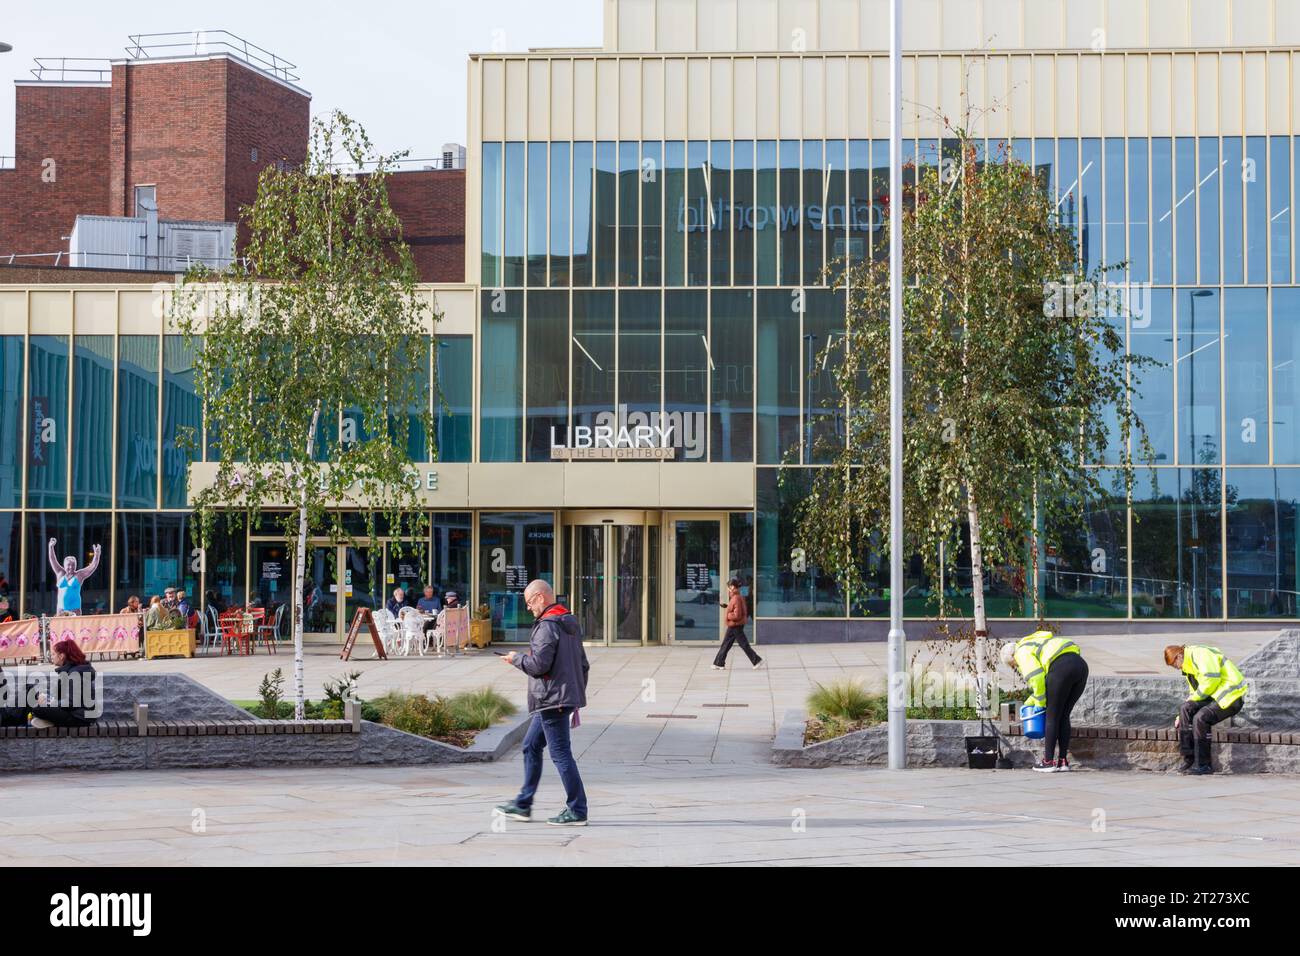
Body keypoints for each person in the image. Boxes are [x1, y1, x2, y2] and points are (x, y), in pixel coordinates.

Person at [495, 579, 590, 827]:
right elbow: (583, 665)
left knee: (560, 754)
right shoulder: (568, 623)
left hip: (551, 700)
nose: (528, 608)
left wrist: (516, 659)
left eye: (529, 602)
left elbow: (538, 666)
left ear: (539, 597)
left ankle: (577, 809)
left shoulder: (548, 626)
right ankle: (523, 804)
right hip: (556, 698)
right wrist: (574, 695)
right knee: (530, 745)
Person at [1001, 630, 1089, 773]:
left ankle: (1048, 762)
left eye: (1014, 665)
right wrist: (1031, 701)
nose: (1016, 667)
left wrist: (1040, 704)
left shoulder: (1021, 652)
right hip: (1080, 666)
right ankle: (1063, 762)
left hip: (1061, 668)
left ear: (1012, 656)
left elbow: (1036, 677)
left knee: (1051, 716)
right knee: (1063, 715)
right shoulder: (1036, 642)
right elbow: (1041, 687)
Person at [1165, 644, 1248, 775]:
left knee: (1200, 718)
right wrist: (1179, 717)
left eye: (1174, 664)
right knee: (1185, 709)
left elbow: (1211, 681)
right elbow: (1194, 693)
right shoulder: (1188, 667)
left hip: (1230, 696)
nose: (1176, 667)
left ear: (1179, 656)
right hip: (1215, 695)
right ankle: (1190, 757)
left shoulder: (1200, 654)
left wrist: (1193, 699)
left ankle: (1204, 765)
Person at [28, 639, 97, 729]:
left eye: (53, 654)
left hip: (80, 719)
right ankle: (49, 721)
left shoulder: (75, 674)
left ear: (61, 656)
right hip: (75, 713)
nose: (51, 657)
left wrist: (49, 704)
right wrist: (47, 698)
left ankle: (50, 721)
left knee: (37, 708)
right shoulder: (70, 671)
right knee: (33, 694)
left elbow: (72, 703)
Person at [712, 578, 762, 670]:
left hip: (735, 624)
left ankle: (756, 660)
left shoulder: (736, 598)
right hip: (735, 624)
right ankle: (719, 663)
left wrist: (728, 614)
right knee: (726, 644)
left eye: (728, 587)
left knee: (742, 644)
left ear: (732, 587)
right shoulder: (736, 597)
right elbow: (736, 609)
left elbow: (737, 615)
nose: (727, 589)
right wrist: (728, 607)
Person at [48, 538, 101, 616]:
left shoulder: (79, 575)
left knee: (74, 628)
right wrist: (51, 547)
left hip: (74, 610)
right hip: (61, 609)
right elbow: (53, 559)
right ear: (64, 565)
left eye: (73, 565)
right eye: (68, 565)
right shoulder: (60, 573)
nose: (71, 567)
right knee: (60, 628)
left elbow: (92, 567)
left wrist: (97, 555)